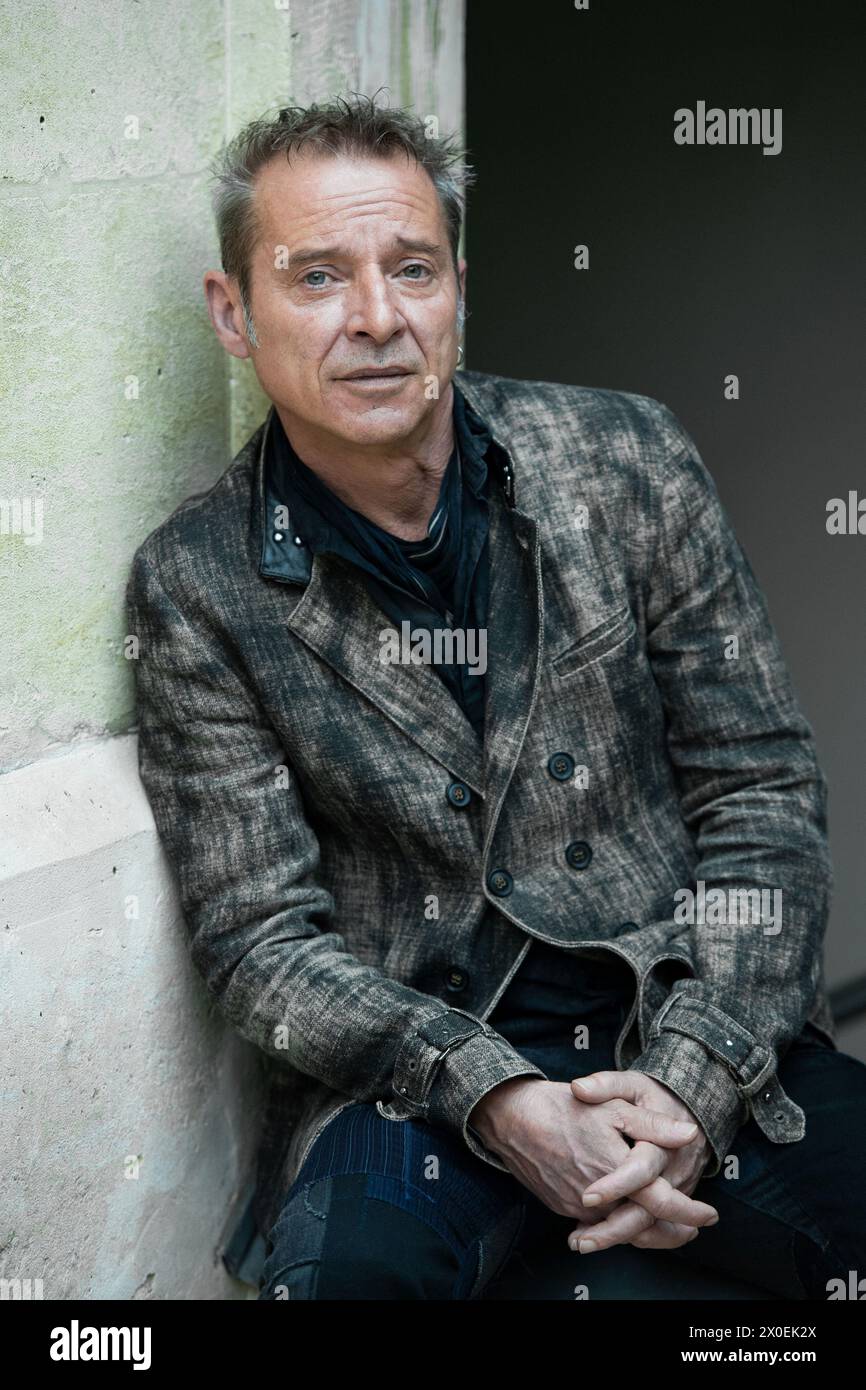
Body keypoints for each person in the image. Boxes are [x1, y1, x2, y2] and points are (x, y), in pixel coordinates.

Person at [125, 94, 866, 1300]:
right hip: (412, 1081)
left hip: (678, 1016)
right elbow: (260, 941)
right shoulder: (197, 581)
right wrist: (497, 1096)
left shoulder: (624, 459)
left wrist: (693, 1077)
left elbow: (761, 796)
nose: (376, 318)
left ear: (456, 290)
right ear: (232, 312)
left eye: (411, 269)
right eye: (317, 276)